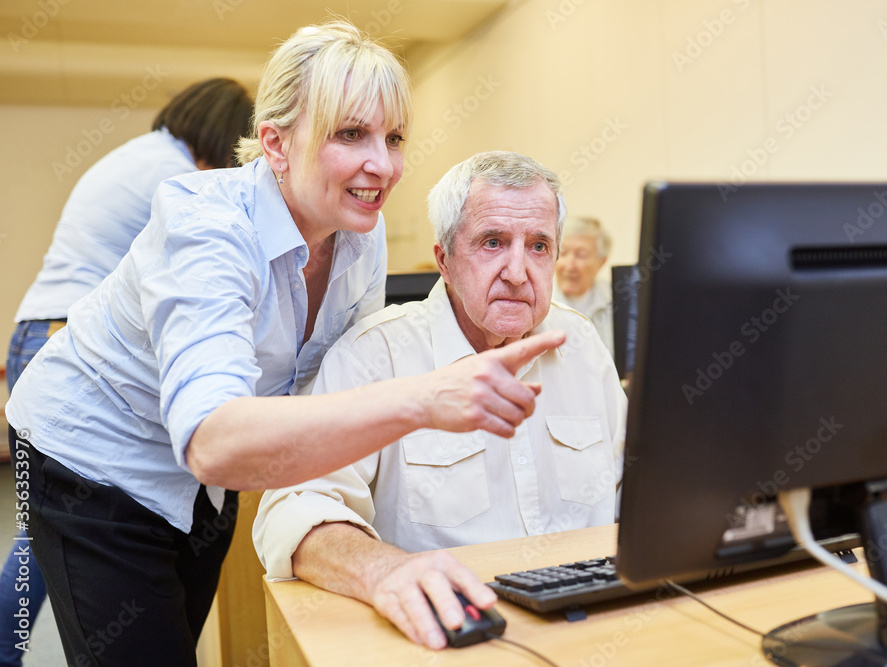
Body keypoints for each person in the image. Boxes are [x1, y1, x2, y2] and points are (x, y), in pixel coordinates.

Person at [5, 21, 563, 667]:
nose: (381, 165)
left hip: (202, 479)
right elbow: (214, 439)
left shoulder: (362, 237)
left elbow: (334, 391)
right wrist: (425, 396)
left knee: (175, 637)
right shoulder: (205, 224)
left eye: (394, 137)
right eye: (351, 134)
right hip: (92, 457)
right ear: (274, 142)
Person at [253, 151, 627, 651]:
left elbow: (635, 489)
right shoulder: (375, 357)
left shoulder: (581, 346)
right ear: (445, 260)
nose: (518, 271)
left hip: (595, 631)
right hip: (453, 636)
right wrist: (383, 571)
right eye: (492, 243)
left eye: (538, 246)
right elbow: (291, 509)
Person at [0, 76, 253, 667]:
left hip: (39, 329)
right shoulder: (176, 179)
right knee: (53, 535)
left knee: (42, 534)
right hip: (61, 338)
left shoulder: (141, 156)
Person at [553, 216, 615, 354]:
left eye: (581, 255)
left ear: (601, 262)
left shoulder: (617, 299)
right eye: (562, 253)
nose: (569, 265)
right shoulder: (541, 303)